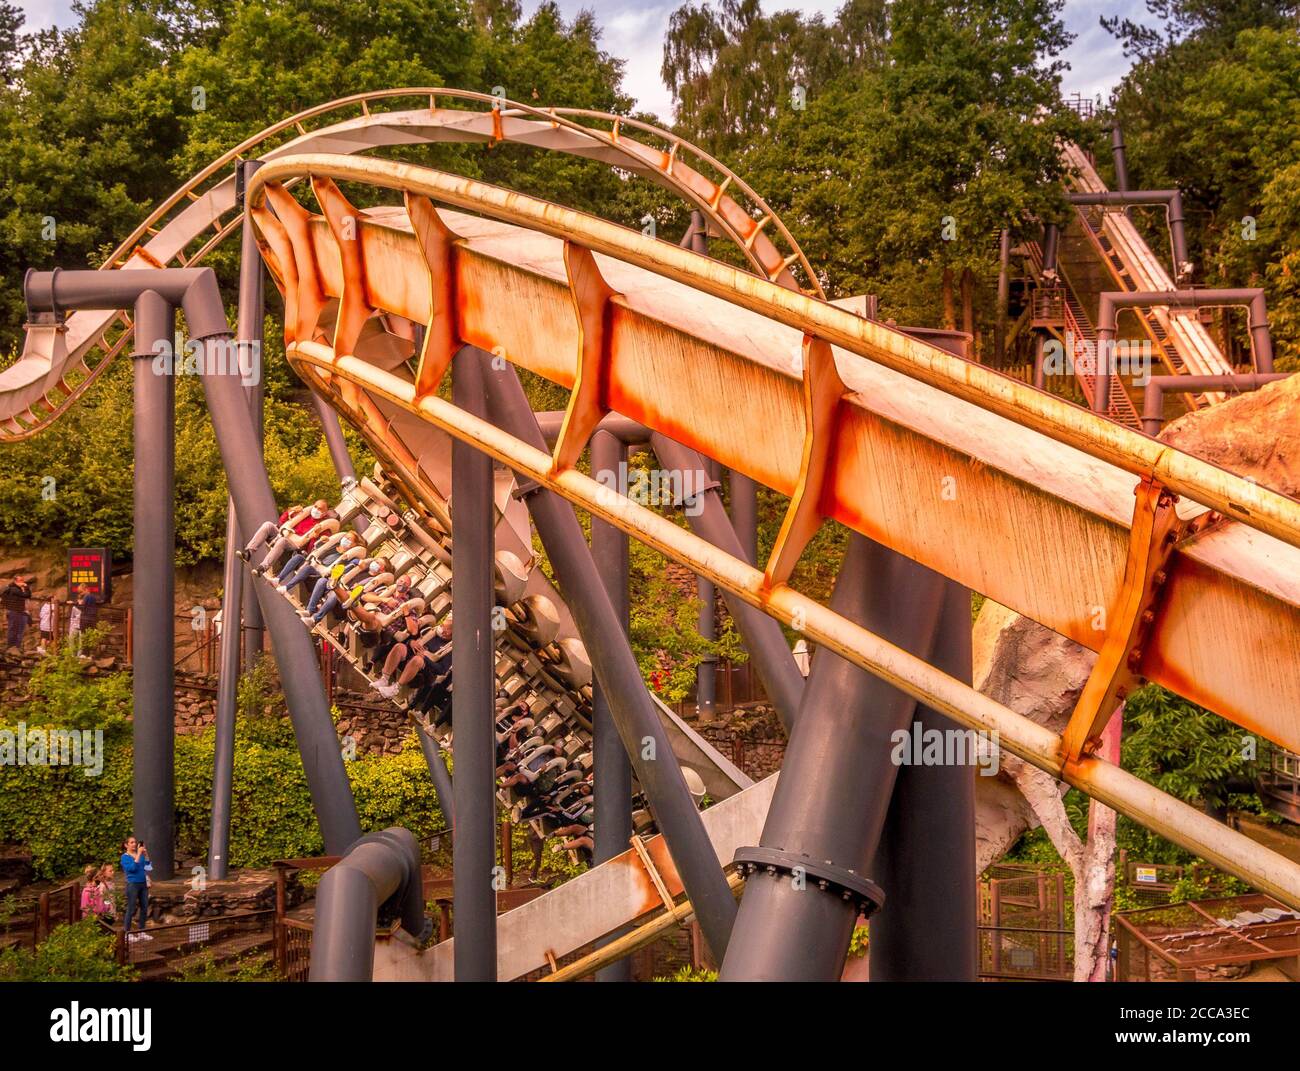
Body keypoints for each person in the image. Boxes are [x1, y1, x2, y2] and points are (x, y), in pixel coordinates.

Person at [119, 835, 152, 941]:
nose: (134, 844)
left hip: (143, 884)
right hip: (132, 884)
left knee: (144, 907)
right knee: (131, 908)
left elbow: (148, 867)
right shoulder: (125, 857)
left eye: (135, 842)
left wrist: (146, 854)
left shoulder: (140, 855)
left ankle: (141, 931)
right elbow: (132, 869)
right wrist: (138, 854)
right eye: (131, 842)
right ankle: (127, 933)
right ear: (126, 845)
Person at [2, 573, 31, 652]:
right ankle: (11, 647)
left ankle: (16, 647)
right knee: (13, 629)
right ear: (16, 581)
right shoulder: (14, 589)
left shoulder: (14, 588)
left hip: (19, 611)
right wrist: (26, 587)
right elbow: (27, 595)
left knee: (19, 630)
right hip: (14, 611)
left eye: (23, 580)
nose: (23, 582)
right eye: (21, 580)